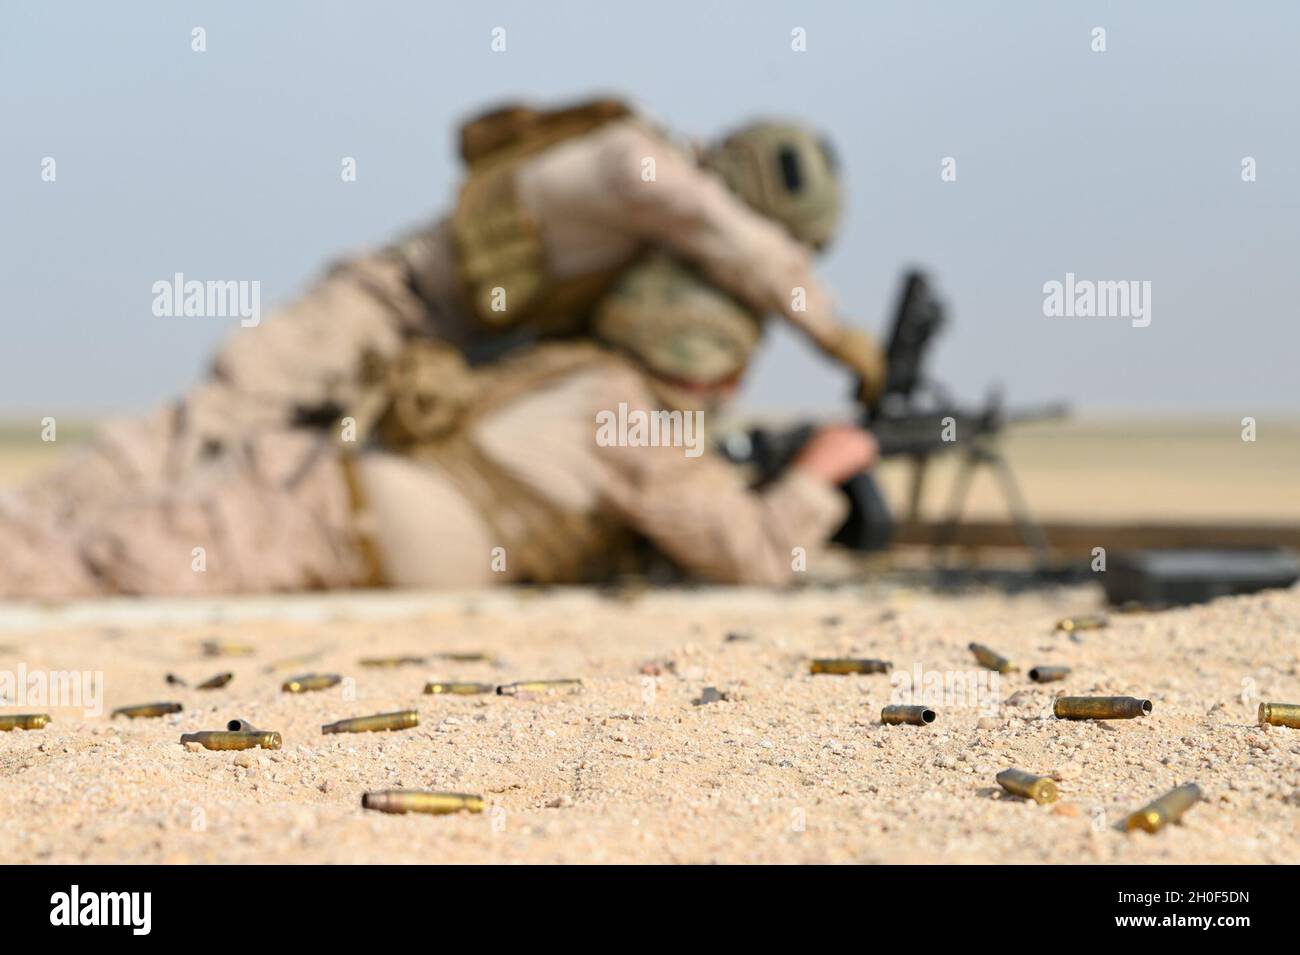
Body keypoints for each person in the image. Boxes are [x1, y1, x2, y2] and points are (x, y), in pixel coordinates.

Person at [16, 98, 884, 531]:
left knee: (274, 485)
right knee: (199, 431)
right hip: (379, 308)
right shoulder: (637, 167)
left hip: (445, 355)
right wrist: (837, 334)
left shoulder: (663, 216)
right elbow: (721, 231)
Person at [0, 255, 877, 597]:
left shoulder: (585, 377)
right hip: (308, 515)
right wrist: (822, 470)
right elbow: (760, 555)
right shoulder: (625, 411)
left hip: (313, 502)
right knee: (72, 563)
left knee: (71, 543)